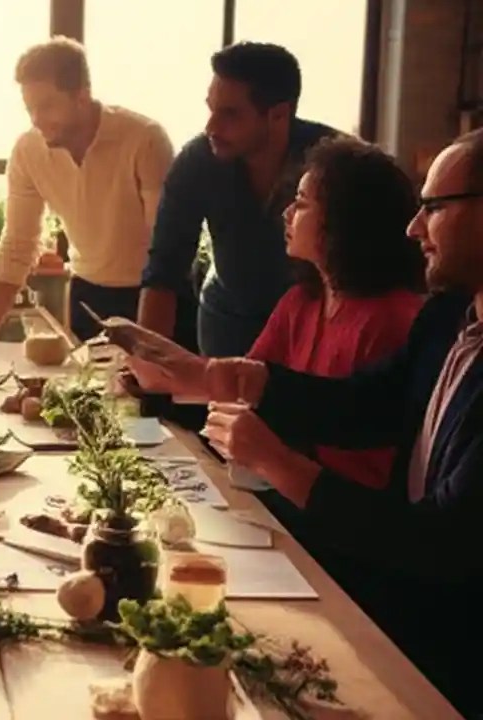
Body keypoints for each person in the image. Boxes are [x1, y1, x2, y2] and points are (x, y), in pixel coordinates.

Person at [122, 129, 483, 716]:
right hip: (400, 587)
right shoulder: (449, 317)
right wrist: (203, 377)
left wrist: (278, 462)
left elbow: (446, 545)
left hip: (450, 639)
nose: (416, 228)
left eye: (435, 208)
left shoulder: (405, 312)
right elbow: (364, 405)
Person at [0, 36, 173, 348]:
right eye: (30, 108)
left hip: (155, 294)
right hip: (87, 296)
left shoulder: (144, 139)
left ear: (81, 96)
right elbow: (18, 244)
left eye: (46, 106)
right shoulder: (28, 150)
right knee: (90, 394)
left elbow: (165, 247)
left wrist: (150, 345)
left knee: (150, 394)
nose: (36, 120)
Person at [244, 135, 425, 494]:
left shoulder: (394, 319)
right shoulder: (301, 300)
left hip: (340, 516)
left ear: (344, 221)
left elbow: (370, 471)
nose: (287, 213)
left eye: (301, 203)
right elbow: (247, 390)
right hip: (284, 489)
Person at [138, 42, 336, 358]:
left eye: (229, 114)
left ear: (279, 114)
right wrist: (143, 362)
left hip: (314, 323)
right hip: (228, 321)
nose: (211, 127)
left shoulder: (332, 164)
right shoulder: (198, 160)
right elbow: (164, 267)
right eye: (211, 109)